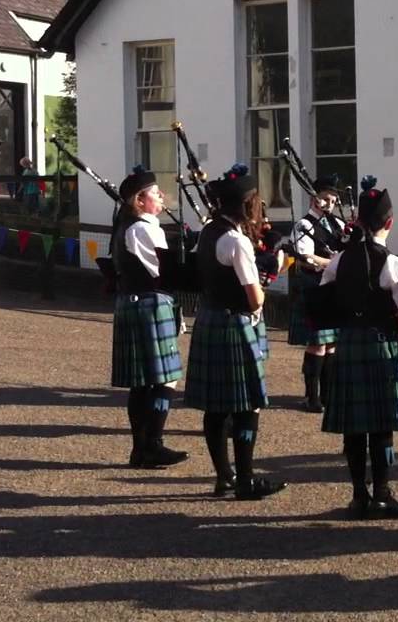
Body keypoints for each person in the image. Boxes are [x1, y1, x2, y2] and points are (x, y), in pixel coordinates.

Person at [185, 165, 287, 501]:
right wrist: (266, 280)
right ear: (246, 205)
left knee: (215, 408)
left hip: (210, 318)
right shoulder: (237, 240)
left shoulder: (208, 232)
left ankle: (223, 477)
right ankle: (245, 479)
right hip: (235, 324)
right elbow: (254, 295)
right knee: (246, 407)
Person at [320, 176, 398, 519]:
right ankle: (382, 494)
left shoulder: (336, 261)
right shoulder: (396, 265)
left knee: (353, 427)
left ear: (359, 221)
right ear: (389, 223)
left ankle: (358, 496)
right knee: (380, 425)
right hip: (380, 346)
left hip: (348, 343)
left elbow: (324, 303)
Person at [110, 167, 189, 469]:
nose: (162, 197)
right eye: (156, 193)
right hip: (149, 304)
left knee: (143, 383)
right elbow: (162, 271)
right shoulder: (142, 229)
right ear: (139, 200)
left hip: (138, 302)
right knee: (164, 379)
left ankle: (142, 449)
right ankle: (151, 444)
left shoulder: (133, 226)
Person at [287, 176, 344, 413]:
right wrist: (334, 262)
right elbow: (306, 258)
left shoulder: (339, 224)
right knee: (317, 345)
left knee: (331, 344)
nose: (329, 203)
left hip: (334, 289)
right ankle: (312, 397)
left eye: (333, 200)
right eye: (325, 199)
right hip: (314, 288)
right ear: (314, 199)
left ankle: (329, 395)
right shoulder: (304, 225)